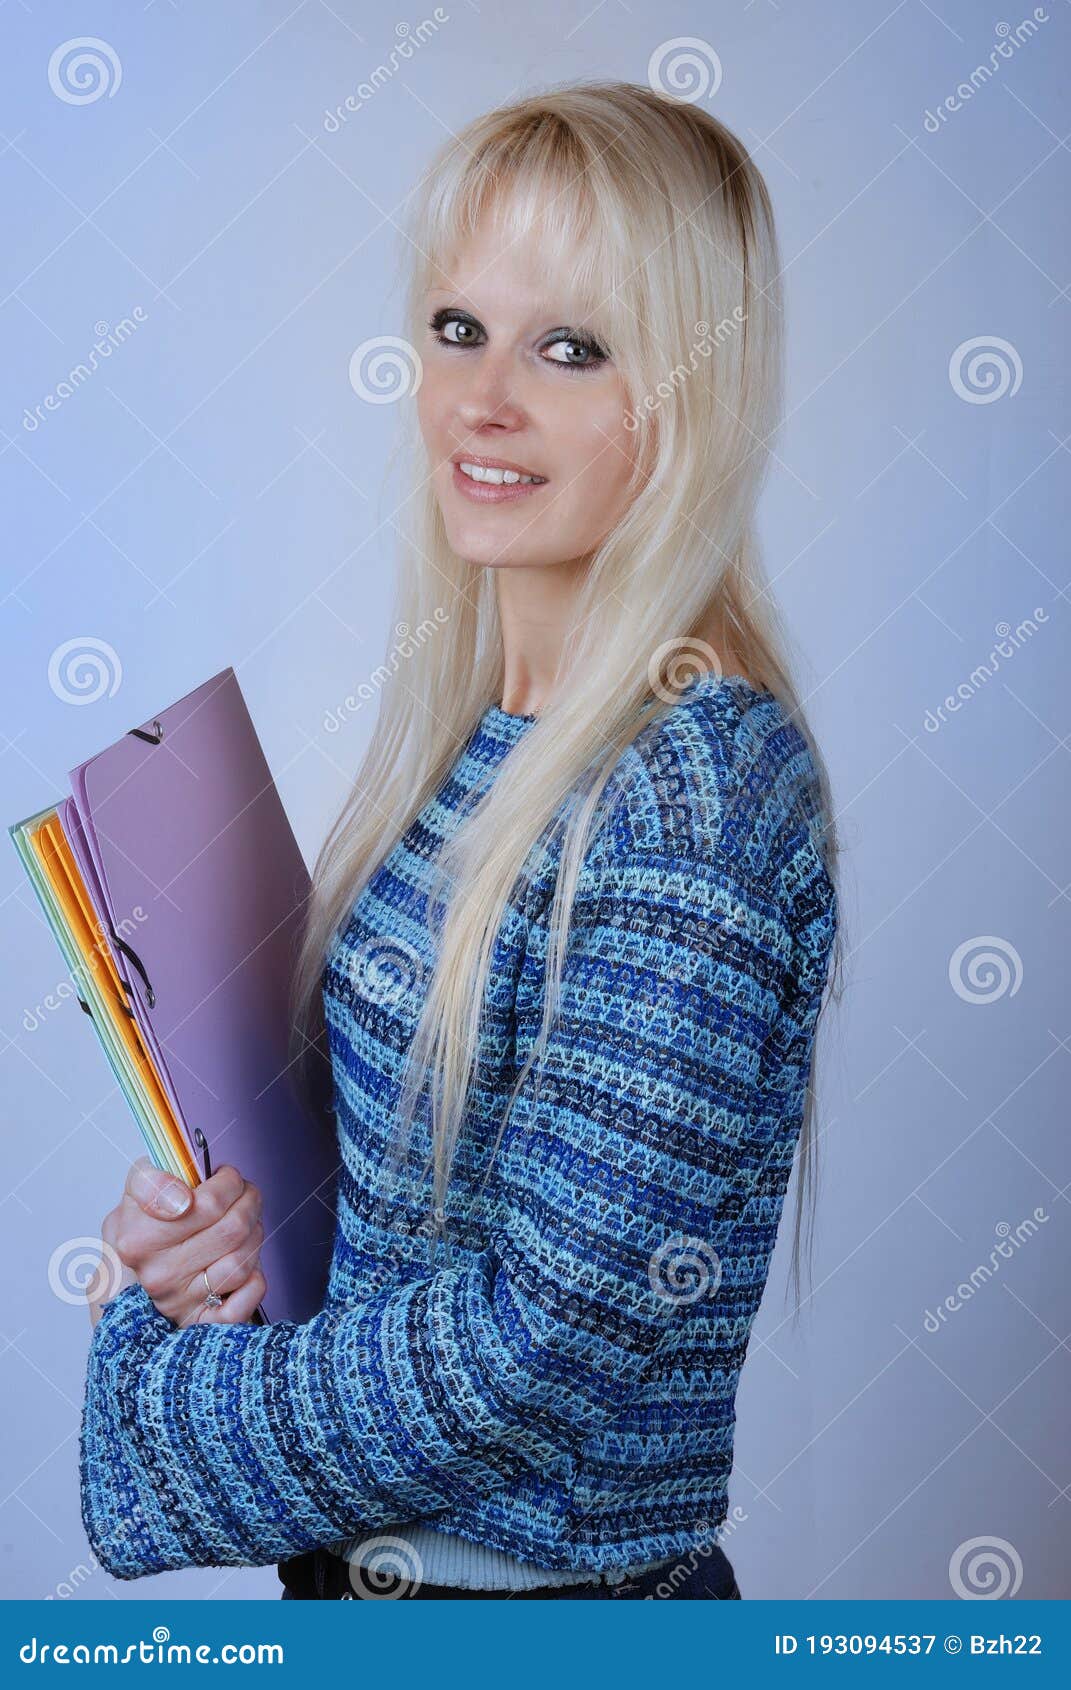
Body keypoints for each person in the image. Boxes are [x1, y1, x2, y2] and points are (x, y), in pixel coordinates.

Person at [81, 80, 842, 1600]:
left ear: (692, 391)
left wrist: (155, 1407)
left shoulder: (698, 787)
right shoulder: (485, 737)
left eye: (571, 348)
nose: (483, 400)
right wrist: (203, 1266)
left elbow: (538, 1347)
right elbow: (399, 1228)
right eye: (455, 328)